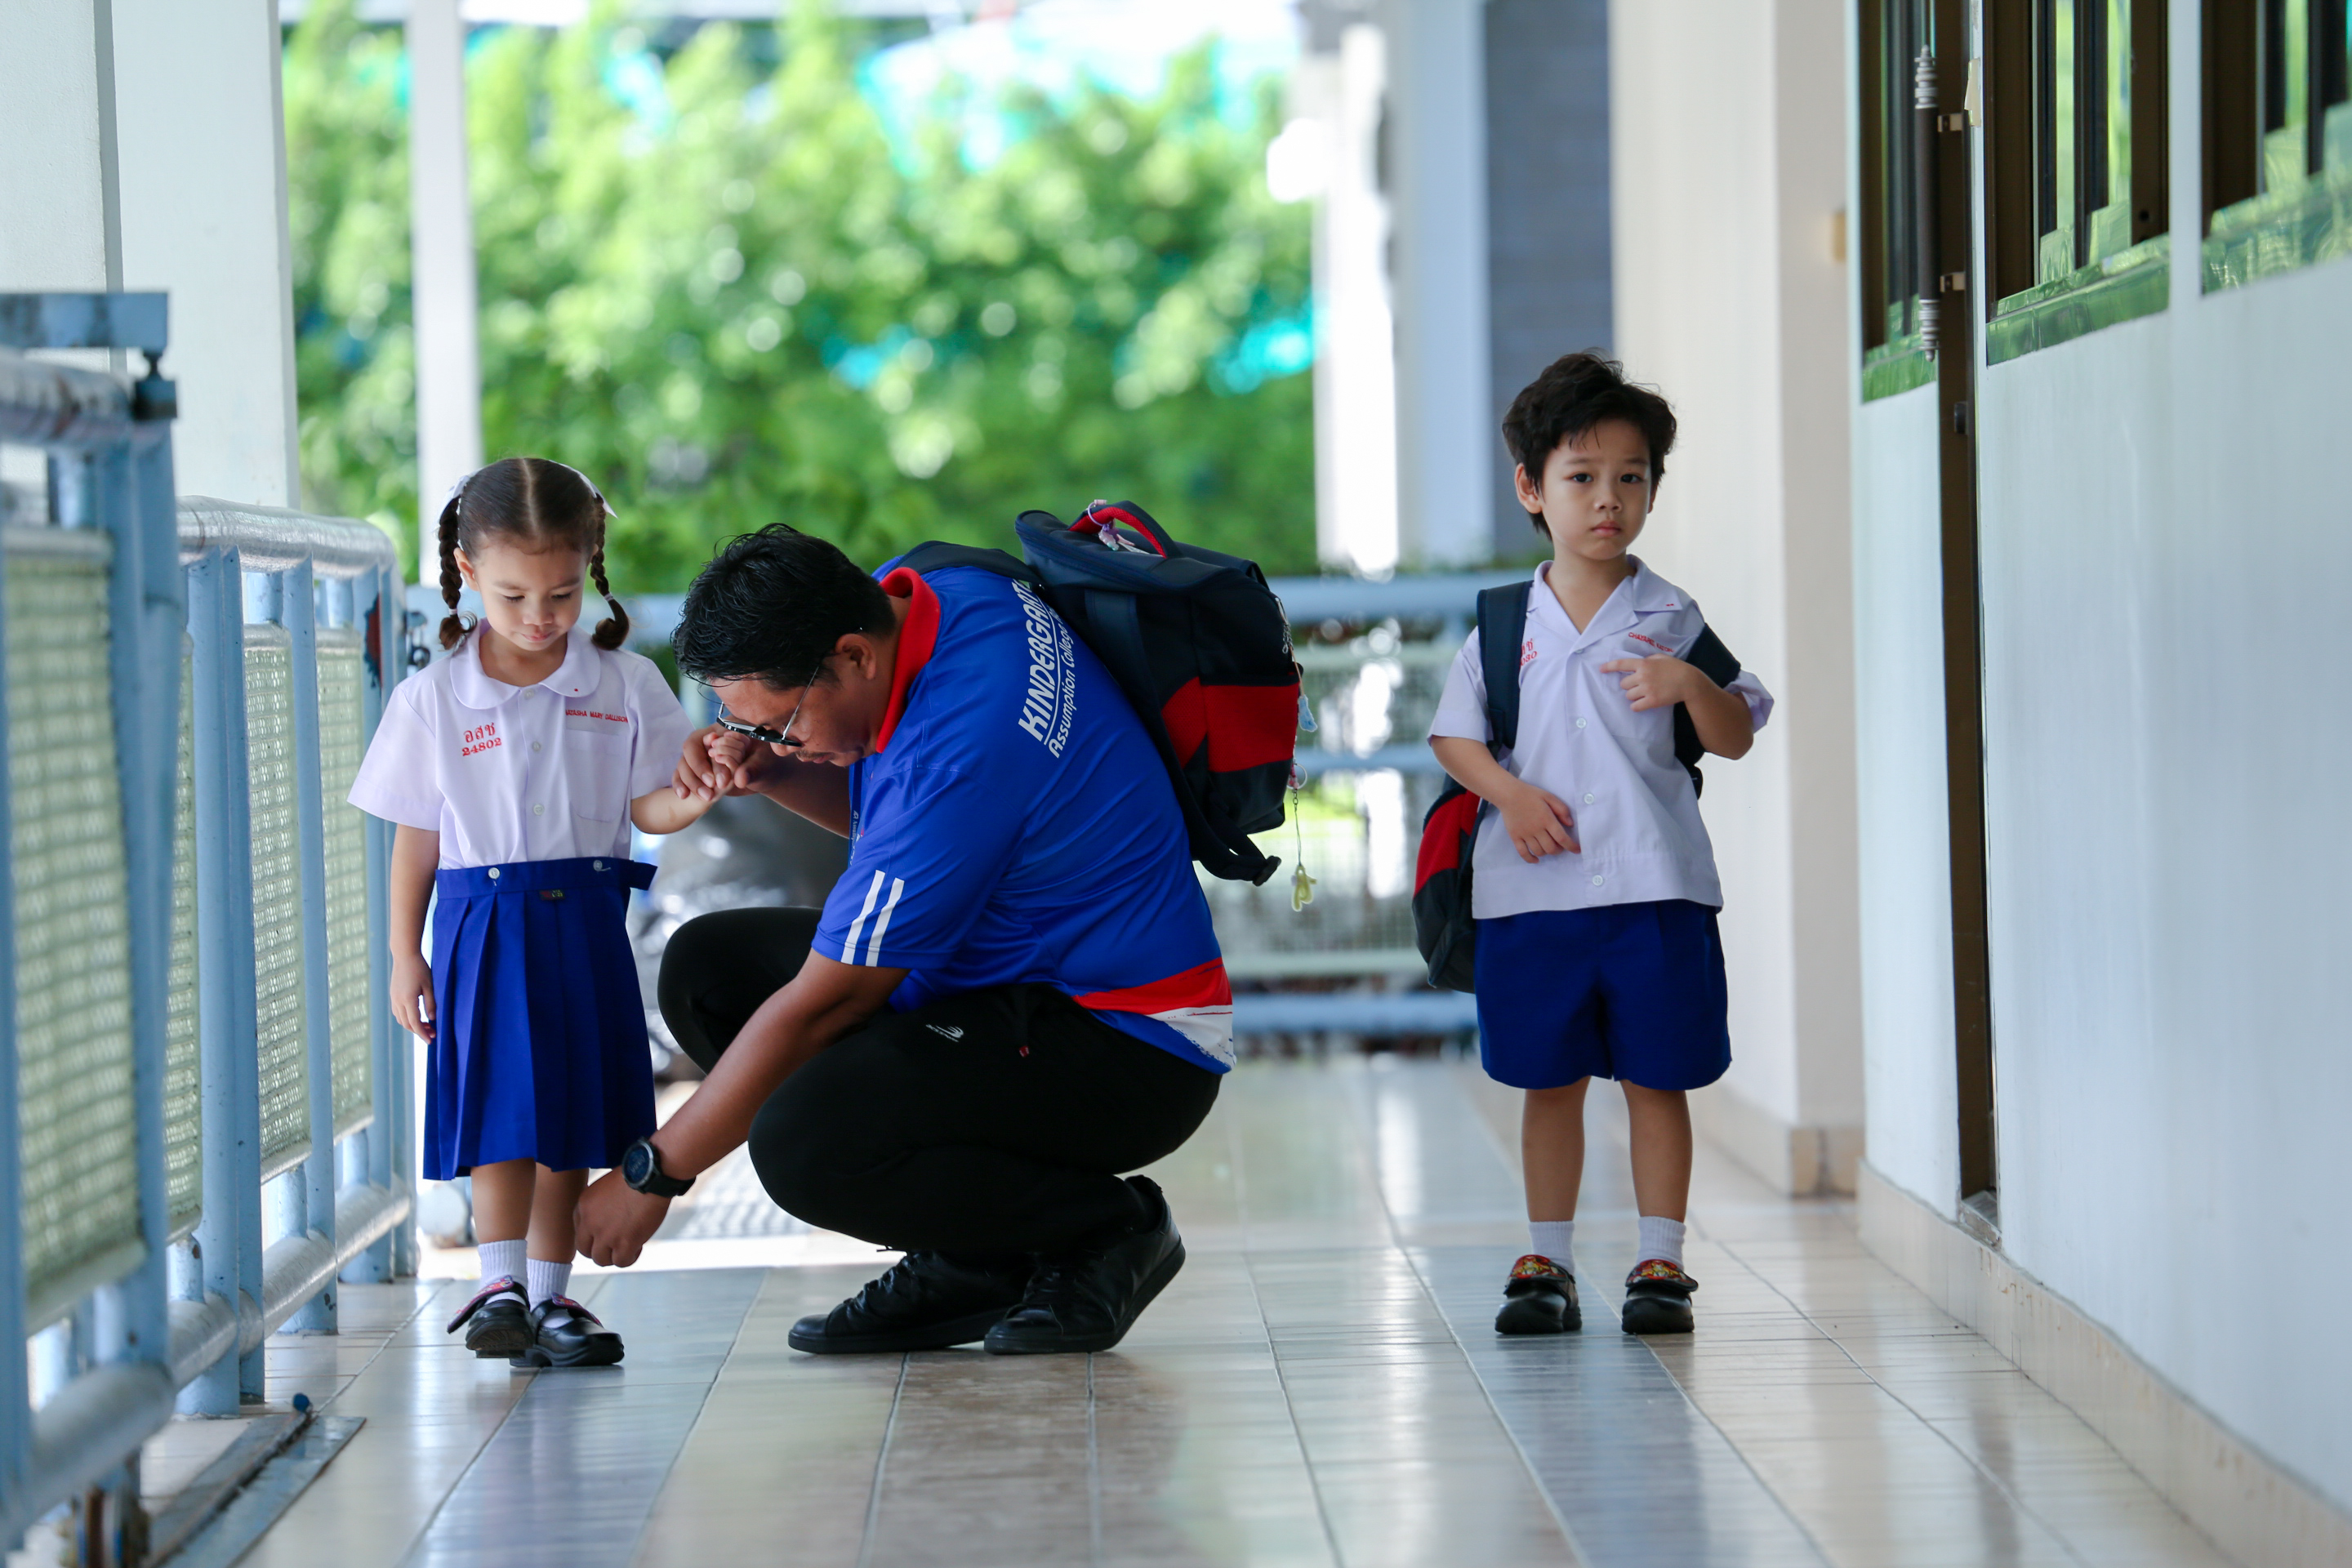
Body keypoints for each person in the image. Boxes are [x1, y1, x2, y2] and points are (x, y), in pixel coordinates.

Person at [570, 523, 1232, 1356]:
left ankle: (1107, 1232)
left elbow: (828, 1004)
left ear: (852, 657)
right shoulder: (937, 590)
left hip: (1125, 1045)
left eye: (780, 724)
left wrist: (653, 1174)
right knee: (709, 971)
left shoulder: (963, 749)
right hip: (1016, 981)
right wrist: (769, 766)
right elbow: (895, 818)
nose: (778, 740)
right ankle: (976, 1256)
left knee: (806, 1145)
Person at [1427, 352, 1773, 1338]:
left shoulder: (1671, 617)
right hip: (1531, 896)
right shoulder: (1503, 622)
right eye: (1581, 477)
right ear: (1534, 489)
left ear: (1654, 490)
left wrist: (1688, 687)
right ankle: (1547, 1257)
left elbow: (1737, 731)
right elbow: (1456, 735)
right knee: (1550, 1080)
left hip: (1656, 890)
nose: (1607, 499)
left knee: (1660, 1078)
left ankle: (1660, 1261)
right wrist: (1512, 796)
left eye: (1631, 477)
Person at [350, 457, 713, 1369]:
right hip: (483, 924)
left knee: (571, 1115)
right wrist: (405, 953)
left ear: (590, 565)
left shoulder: (625, 684)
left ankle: (553, 1301)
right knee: (502, 1109)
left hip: (587, 919)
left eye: (560, 593)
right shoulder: (433, 697)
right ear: (468, 575)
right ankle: (498, 1285)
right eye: (513, 596)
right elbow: (418, 841)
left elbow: (653, 806)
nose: (540, 617)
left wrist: (698, 794)